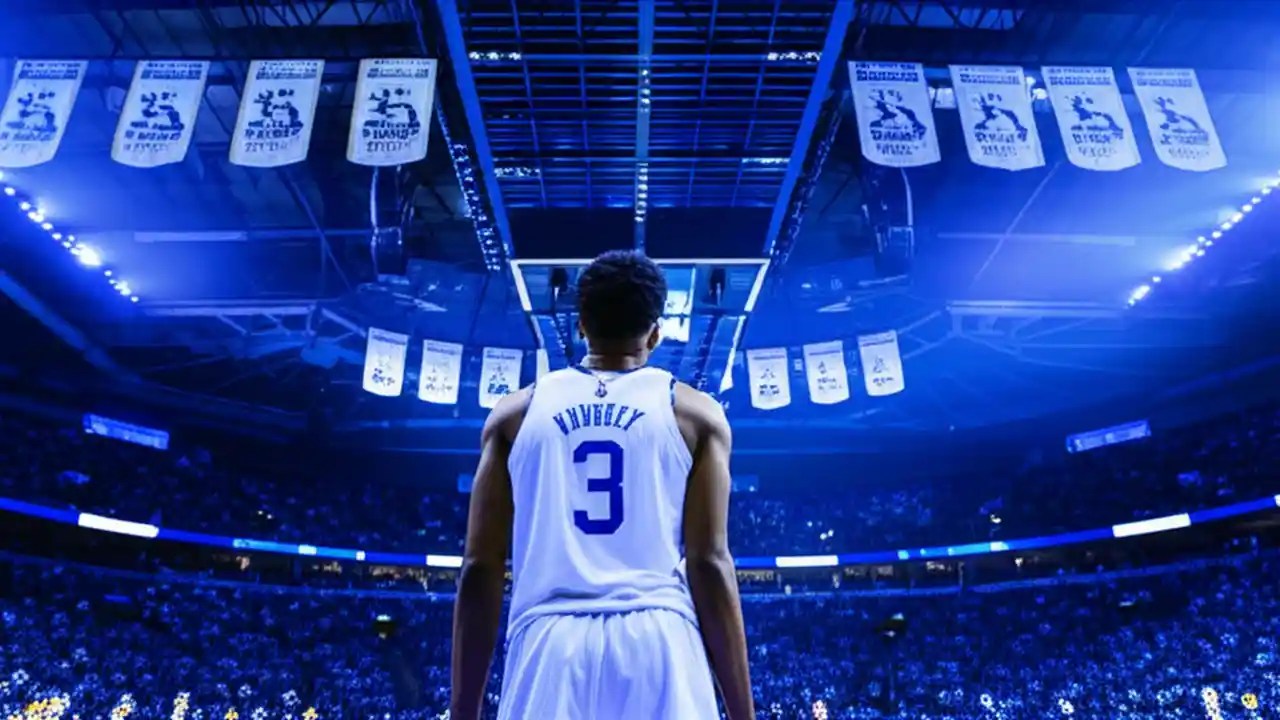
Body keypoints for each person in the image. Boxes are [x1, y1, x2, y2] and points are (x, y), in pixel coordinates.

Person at [450, 250, 755, 720]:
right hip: (660, 639)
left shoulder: (513, 416)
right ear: (656, 332)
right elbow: (710, 564)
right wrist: (742, 713)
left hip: (550, 642)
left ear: (580, 326)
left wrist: (463, 712)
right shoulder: (696, 414)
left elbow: (480, 567)